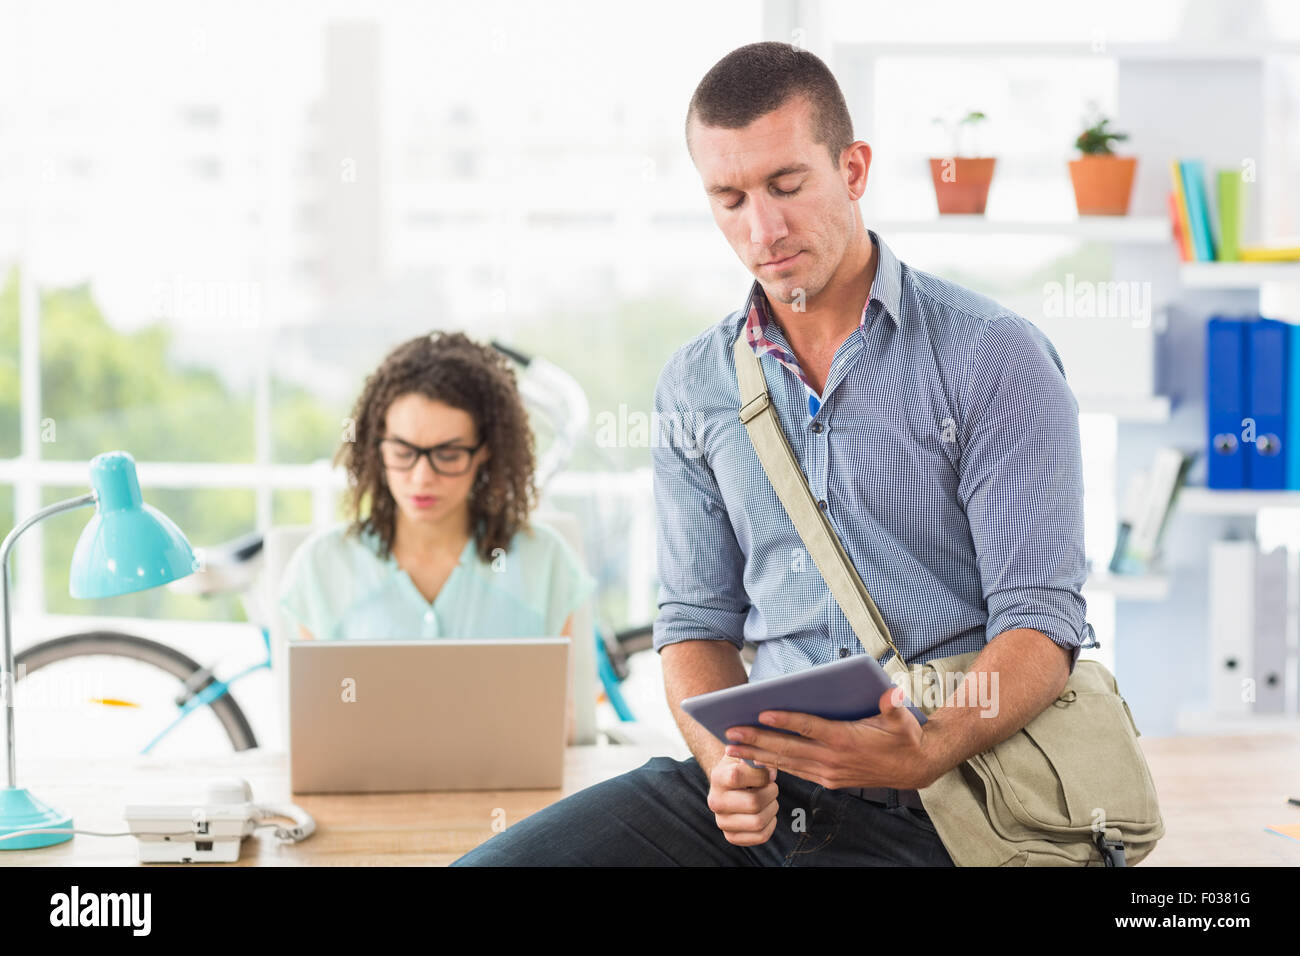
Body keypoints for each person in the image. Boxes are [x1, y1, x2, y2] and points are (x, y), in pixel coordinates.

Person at [452, 41, 1091, 866]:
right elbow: (693, 624)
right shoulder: (694, 384)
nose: (764, 228)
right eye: (730, 198)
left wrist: (929, 745)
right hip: (767, 785)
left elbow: (1043, 622)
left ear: (853, 169)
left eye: (788, 186)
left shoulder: (993, 356)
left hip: (944, 792)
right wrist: (725, 766)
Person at [277, 331, 596, 740]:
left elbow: (560, 726)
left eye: (448, 454)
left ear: (485, 452)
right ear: (376, 446)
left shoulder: (543, 560)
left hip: (516, 801)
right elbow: (316, 732)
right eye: (403, 452)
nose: (421, 477)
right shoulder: (322, 565)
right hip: (366, 799)